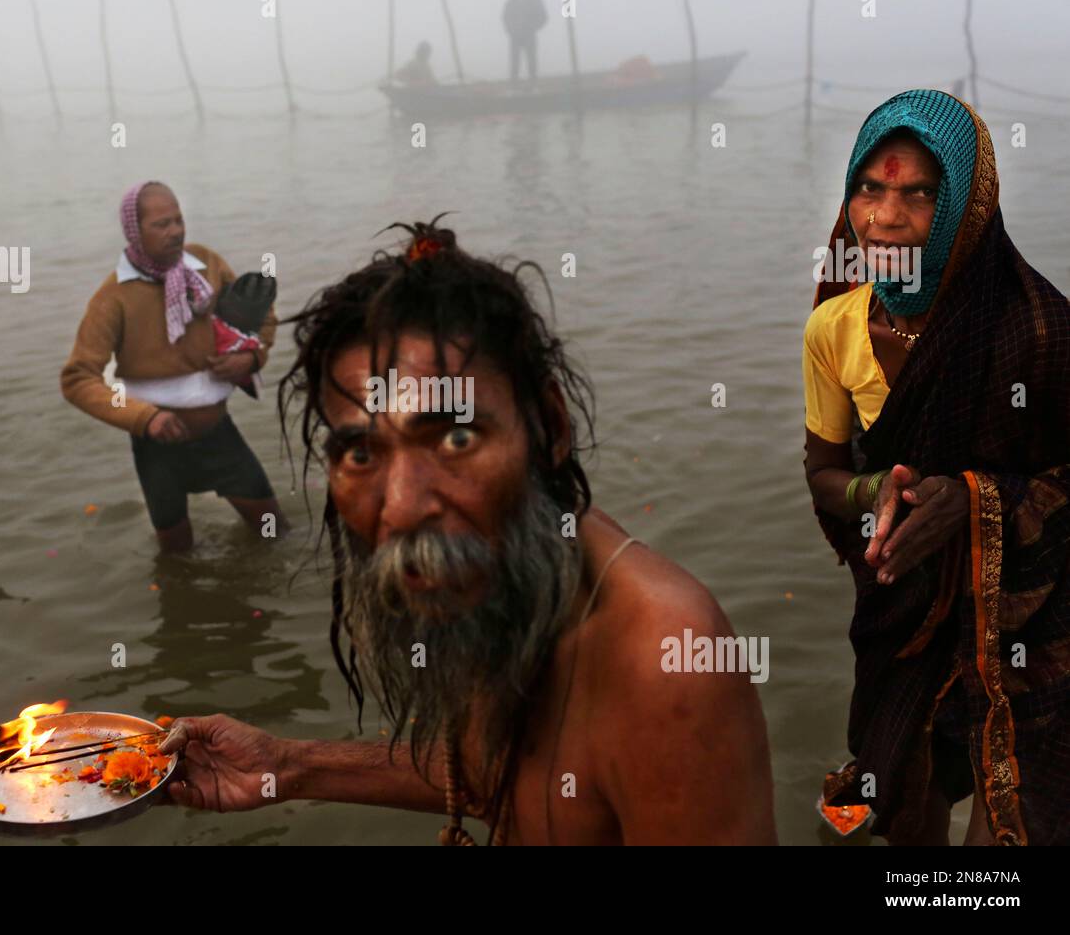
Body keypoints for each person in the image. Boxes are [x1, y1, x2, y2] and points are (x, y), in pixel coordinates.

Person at [160, 218, 776, 844]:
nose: (400, 508)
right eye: (362, 455)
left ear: (550, 428)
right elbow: (508, 779)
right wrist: (287, 766)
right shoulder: (504, 578)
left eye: (456, 438)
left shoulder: (666, 659)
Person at [803, 90, 1070, 845]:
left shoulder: (1041, 331)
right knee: (883, 809)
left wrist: (977, 500)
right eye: (869, 187)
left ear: (965, 208)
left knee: (1011, 821)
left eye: (919, 192)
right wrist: (874, 492)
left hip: (1030, 624)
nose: (884, 218)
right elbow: (823, 472)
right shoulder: (834, 327)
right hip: (903, 617)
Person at [61, 181, 286, 553]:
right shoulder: (113, 298)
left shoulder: (207, 265)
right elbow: (77, 380)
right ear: (135, 233)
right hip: (156, 448)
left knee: (274, 534)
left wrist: (250, 357)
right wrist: (143, 418)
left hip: (219, 434)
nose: (176, 232)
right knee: (177, 559)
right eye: (161, 225)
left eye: (178, 220)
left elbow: (261, 315)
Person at [502, 0, 547, 85]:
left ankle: (533, 84)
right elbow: (505, 17)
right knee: (514, 61)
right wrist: (510, 29)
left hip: (529, 34)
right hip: (515, 35)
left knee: (531, 60)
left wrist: (533, 27)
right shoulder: (511, 0)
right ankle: (513, 86)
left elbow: (543, 17)